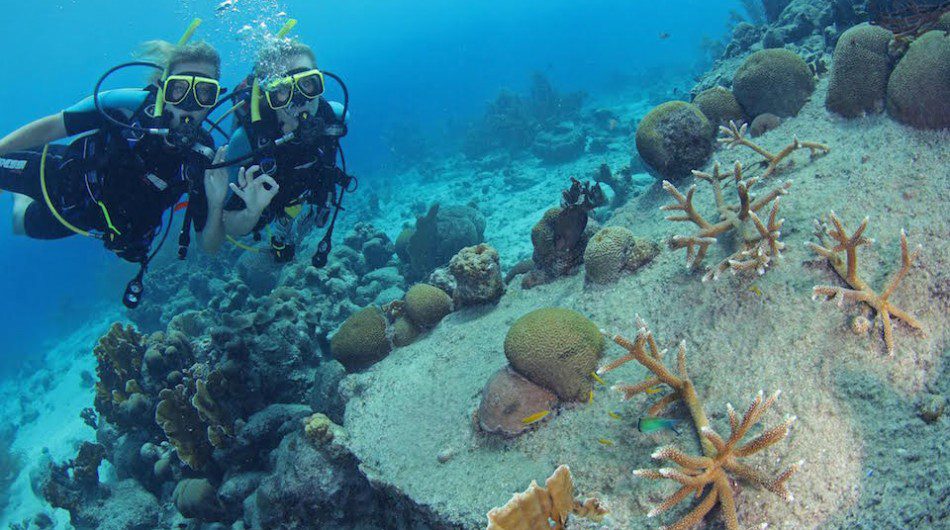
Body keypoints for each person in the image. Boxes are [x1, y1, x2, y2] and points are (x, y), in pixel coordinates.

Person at [0, 35, 231, 306]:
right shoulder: (126, 106)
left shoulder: (202, 157)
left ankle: (20, 201)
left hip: (80, 221)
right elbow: (54, 126)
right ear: (162, 87)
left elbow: (210, 245)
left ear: (215, 98)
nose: (189, 104)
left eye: (204, 93)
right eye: (179, 89)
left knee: (21, 223)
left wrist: (216, 204)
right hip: (57, 177)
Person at [218, 38, 352, 266]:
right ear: (269, 97)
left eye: (307, 84)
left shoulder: (333, 116)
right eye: (283, 91)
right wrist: (252, 210)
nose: (300, 100)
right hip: (267, 211)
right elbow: (229, 226)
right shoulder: (245, 142)